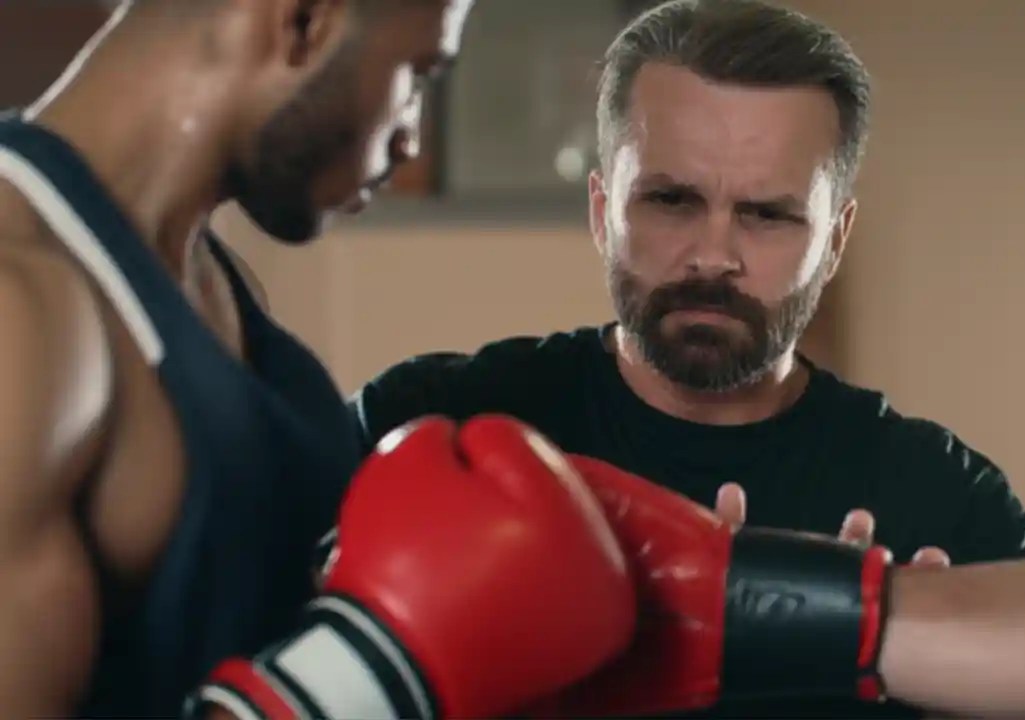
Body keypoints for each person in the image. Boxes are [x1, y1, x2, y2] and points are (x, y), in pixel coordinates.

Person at [351, 4, 1025, 713]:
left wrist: (918, 663)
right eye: (671, 200)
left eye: (766, 214)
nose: (713, 256)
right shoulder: (430, 424)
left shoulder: (946, 509)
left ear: (835, 240)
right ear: (602, 211)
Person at [0, 1, 641, 717]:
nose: (410, 140)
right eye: (416, 74)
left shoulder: (212, 281)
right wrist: (375, 662)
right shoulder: (19, 309)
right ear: (302, 22)